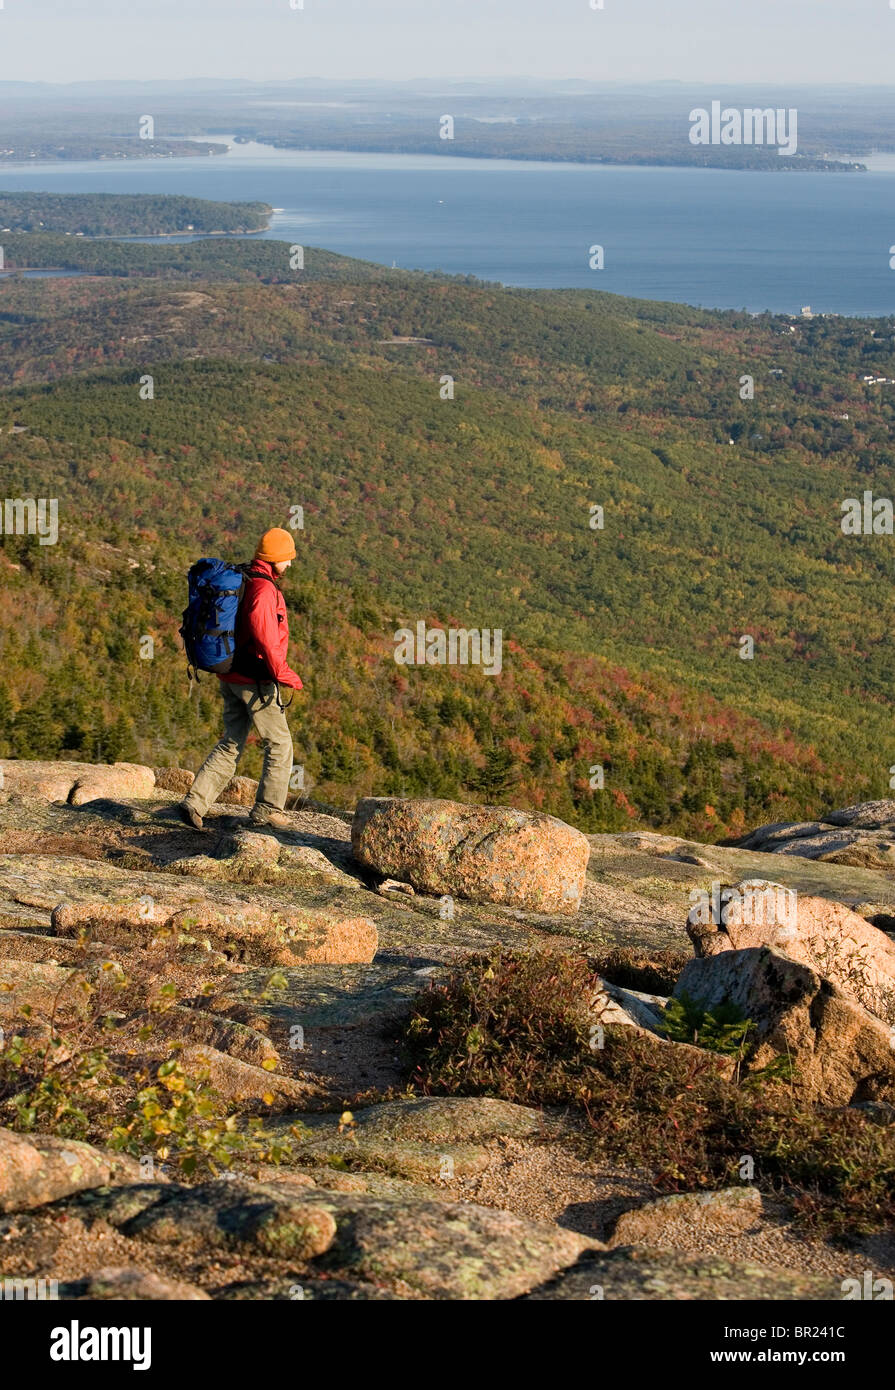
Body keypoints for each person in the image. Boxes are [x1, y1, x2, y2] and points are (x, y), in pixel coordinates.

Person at [179, 527, 303, 830]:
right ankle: (268, 808)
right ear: (275, 559)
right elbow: (265, 637)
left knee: (232, 741)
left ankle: (195, 802)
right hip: (254, 679)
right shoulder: (264, 590)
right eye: (287, 558)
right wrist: (283, 674)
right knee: (279, 743)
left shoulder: (245, 578)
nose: (290, 564)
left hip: (231, 675)